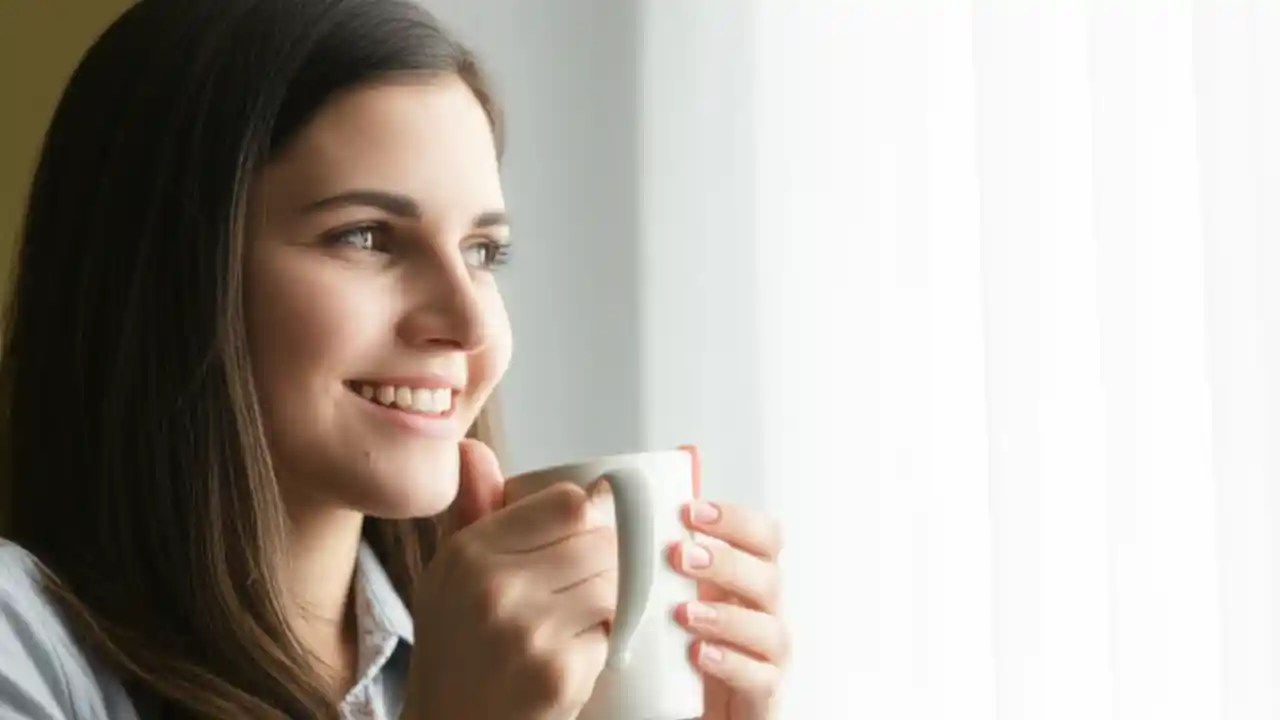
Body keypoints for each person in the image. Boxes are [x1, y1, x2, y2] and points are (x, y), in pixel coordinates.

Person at [0, 1, 789, 718]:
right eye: (366, 236)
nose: (471, 322)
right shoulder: (23, 642)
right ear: (167, 270)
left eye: (484, 251)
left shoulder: (504, 673)